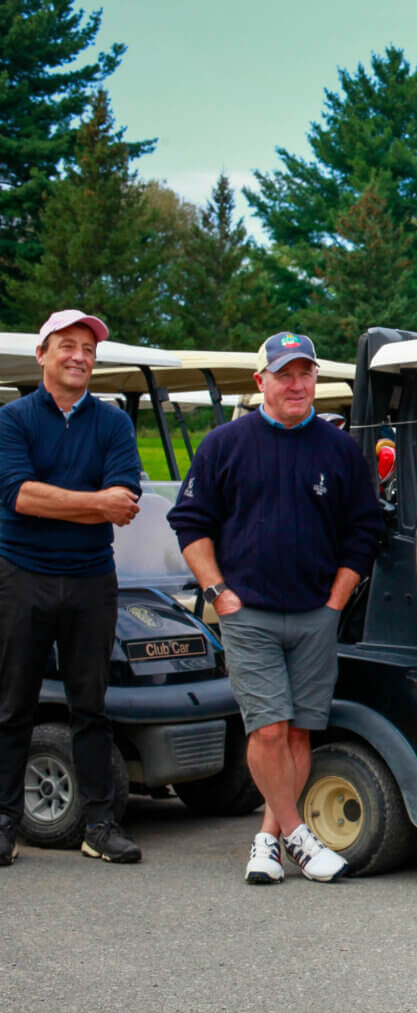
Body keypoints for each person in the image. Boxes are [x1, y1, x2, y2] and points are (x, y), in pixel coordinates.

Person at [168, 331, 382, 884]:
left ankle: (268, 837)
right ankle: (299, 837)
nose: (296, 384)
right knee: (268, 729)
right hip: (248, 613)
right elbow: (189, 522)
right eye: (284, 374)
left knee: (298, 732)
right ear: (260, 381)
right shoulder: (225, 444)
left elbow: (364, 531)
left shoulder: (340, 450)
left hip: (316, 613)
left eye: (305, 373)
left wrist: (335, 601)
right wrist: (219, 593)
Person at [0, 310, 144, 866]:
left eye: (88, 348)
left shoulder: (113, 423)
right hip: (21, 575)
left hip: (90, 579)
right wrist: (94, 503)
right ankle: (4, 821)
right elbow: (18, 496)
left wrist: (59, 501)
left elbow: (124, 503)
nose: (80, 356)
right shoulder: (12, 420)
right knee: (13, 704)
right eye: (67, 345)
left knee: (91, 707)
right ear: (42, 354)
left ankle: (99, 826)